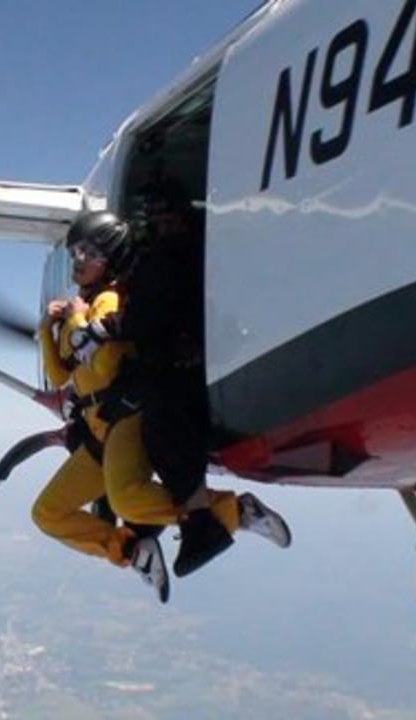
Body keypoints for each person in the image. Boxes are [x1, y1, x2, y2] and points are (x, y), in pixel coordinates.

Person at [97, 185, 292, 577]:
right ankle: (189, 527)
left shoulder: (158, 263)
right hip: (195, 365)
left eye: (164, 218)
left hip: (169, 372)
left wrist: (113, 327)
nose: (161, 226)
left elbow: (149, 318)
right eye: (157, 219)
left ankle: (215, 520)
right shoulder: (198, 255)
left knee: (163, 437)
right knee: (158, 452)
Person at [30, 211, 172, 602]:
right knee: (47, 513)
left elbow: (104, 364)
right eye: (76, 251)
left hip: (122, 421)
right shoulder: (82, 306)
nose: (78, 260)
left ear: (110, 260)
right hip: (97, 432)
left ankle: (228, 512)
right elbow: (61, 376)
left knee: (128, 498)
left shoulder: (109, 300)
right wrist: (46, 330)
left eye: (90, 253)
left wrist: (77, 319)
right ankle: (131, 550)